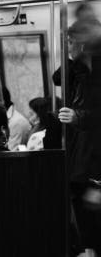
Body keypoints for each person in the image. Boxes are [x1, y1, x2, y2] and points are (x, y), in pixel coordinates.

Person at [53, 24, 101, 255]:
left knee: (91, 209)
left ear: (82, 44)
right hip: (80, 151)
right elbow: (57, 78)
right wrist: (72, 58)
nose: (67, 46)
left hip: (91, 154)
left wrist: (77, 117)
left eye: (70, 42)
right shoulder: (80, 69)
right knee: (83, 208)